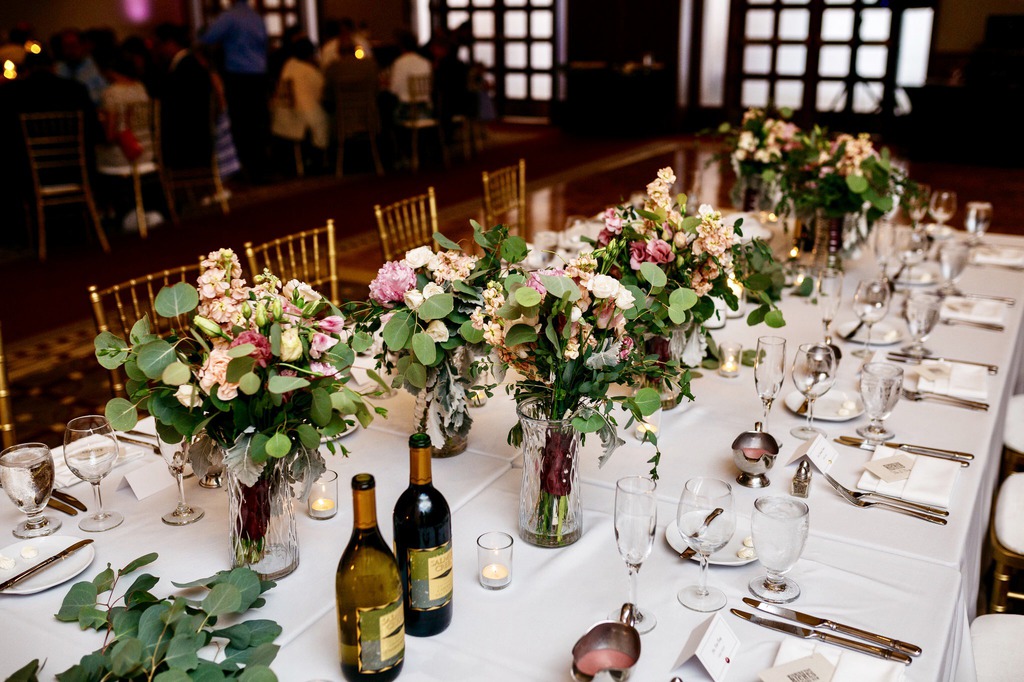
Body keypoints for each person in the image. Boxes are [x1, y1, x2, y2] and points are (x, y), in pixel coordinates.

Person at [200, 0, 269, 183]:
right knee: (257, 123)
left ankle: (244, 169)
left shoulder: (230, 17)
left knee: (241, 124)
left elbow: (207, 38)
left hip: (239, 76)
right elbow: (264, 43)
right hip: (259, 76)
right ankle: (260, 169)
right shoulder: (256, 18)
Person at [153, 23, 214, 171]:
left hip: (187, 138)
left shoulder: (186, 67)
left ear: (169, 43)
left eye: (158, 45)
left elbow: (177, 107)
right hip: (195, 135)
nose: (157, 50)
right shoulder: (189, 64)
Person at [270, 37, 329, 169]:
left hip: (282, 114)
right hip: (301, 114)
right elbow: (322, 92)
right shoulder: (309, 71)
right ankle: (320, 160)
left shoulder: (288, 66)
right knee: (324, 119)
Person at [93, 45, 152, 172]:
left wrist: (101, 119)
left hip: (121, 158)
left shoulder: (112, 93)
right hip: (146, 154)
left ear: (107, 70)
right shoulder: (140, 88)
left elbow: (109, 136)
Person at [53, 28, 107, 106]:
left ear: (82, 46)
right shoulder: (57, 68)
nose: (70, 50)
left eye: (73, 45)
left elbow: (103, 95)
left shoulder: (96, 67)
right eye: (66, 46)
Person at [388, 30, 431, 120]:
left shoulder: (399, 62)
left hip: (406, 110)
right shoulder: (425, 62)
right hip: (425, 108)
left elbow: (394, 89)